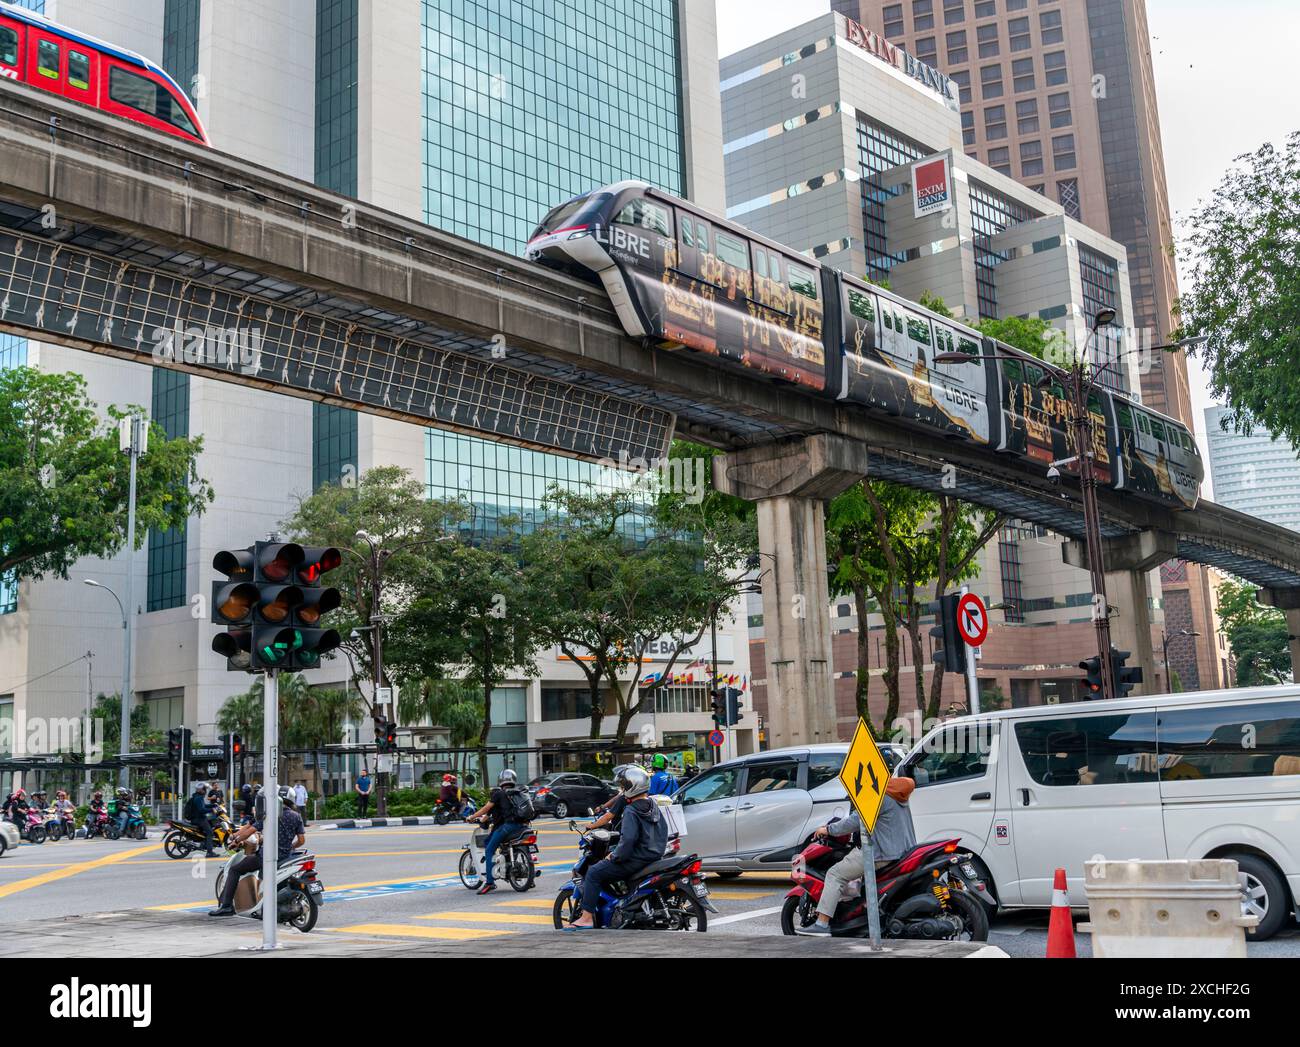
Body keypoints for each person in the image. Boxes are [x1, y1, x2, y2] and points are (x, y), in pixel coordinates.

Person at [797, 775, 917, 936]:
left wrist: (827, 829)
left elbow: (855, 821)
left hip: (881, 853)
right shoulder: (897, 795)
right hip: (902, 851)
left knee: (835, 874)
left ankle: (822, 923)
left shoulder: (879, 797)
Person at [566, 765, 667, 929]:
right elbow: (663, 831)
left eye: (624, 786)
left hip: (635, 859)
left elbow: (627, 841)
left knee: (593, 872)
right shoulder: (653, 805)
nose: (622, 789)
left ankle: (586, 918)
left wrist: (614, 856)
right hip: (654, 856)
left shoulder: (631, 810)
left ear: (631, 787)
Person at [208, 786, 306, 917]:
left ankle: (226, 906)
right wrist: (290, 847)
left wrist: (235, 841)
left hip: (266, 856)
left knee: (235, 870)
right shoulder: (296, 816)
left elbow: (250, 830)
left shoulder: (270, 813)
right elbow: (301, 840)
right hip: (285, 856)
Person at [464, 768, 530, 896]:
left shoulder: (498, 793)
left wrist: (471, 817)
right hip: (523, 826)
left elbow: (486, 808)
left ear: (500, 780)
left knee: (489, 849)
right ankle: (527, 878)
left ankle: (489, 883)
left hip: (508, 826)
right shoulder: (518, 792)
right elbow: (491, 813)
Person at [184, 783, 218, 858]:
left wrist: (214, 805)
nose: (205, 791)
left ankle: (204, 843)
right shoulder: (198, 798)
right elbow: (201, 810)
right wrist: (211, 810)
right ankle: (209, 852)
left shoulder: (197, 796)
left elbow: (204, 805)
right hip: (198, 819)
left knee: (209, 824)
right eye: (204, 789)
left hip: (198, 818)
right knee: (210, 832)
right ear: (201, 790)